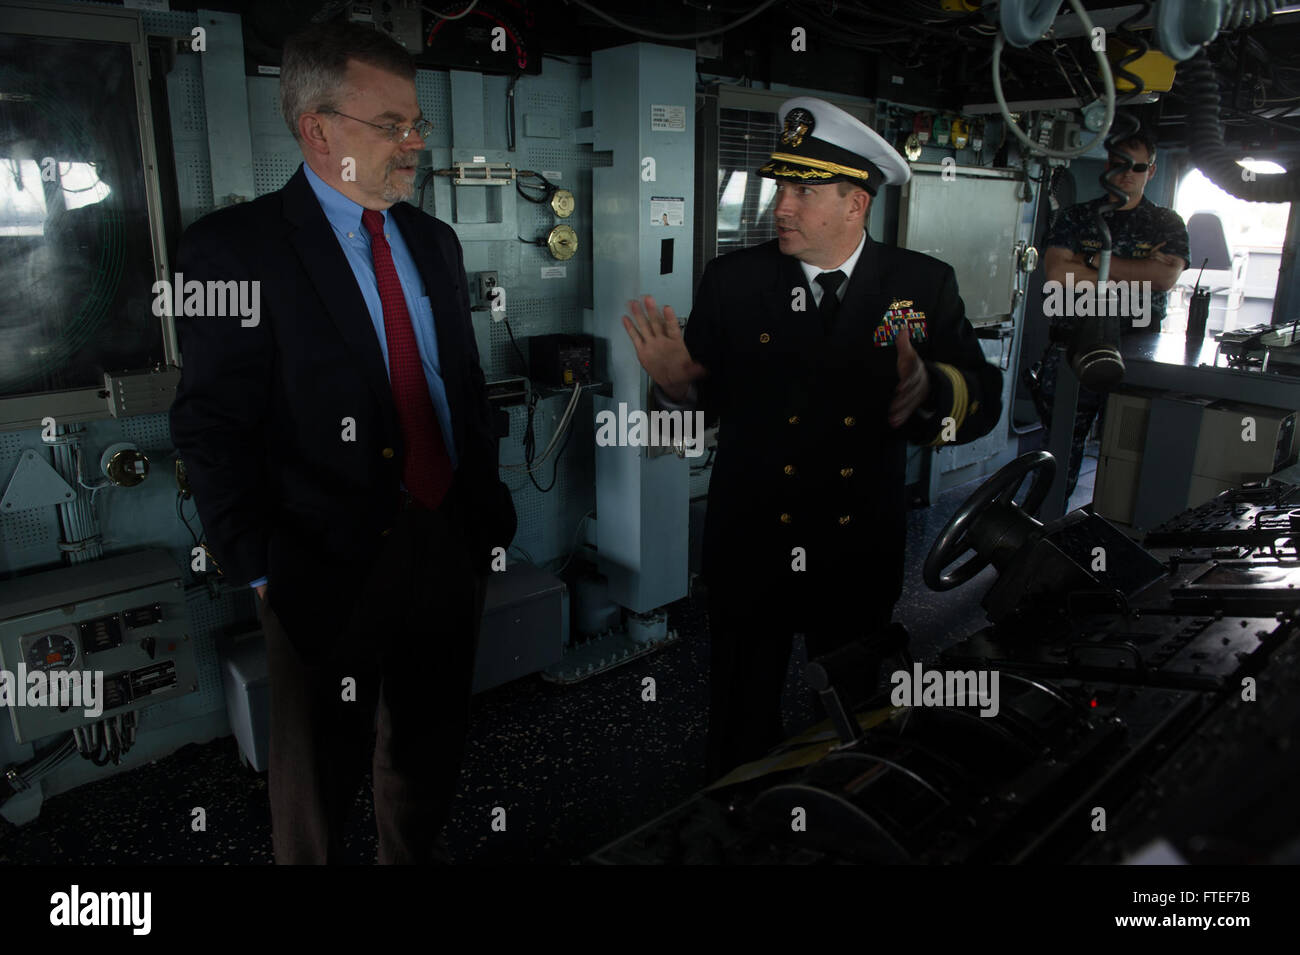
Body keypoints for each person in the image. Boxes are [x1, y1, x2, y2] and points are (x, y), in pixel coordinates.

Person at [169, 21, 515, 864]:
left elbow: (458, 388)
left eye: (418, 124)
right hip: (320, 556)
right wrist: (257, 564)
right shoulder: (233, 249)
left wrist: (483, 511)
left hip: (446, 536)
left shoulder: (433, 242)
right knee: (316, 775)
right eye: (390, 124)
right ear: (316, 129)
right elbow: (211, 422)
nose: (414, 143)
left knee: (430, 746)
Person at [622, 97, 1003, 780]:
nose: (782, 207)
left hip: (857, 546)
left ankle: (849, 816)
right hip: (752, 543)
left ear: (856, 202)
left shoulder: (919, 284)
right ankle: (736, 821)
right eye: (780, 188)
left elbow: (980, 405)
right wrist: (676, 389)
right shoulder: (733, 282)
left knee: (860, 714)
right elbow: (685, 421)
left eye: (803, 191)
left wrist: (934, 393)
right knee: (740, 718)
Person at [1031, 127, 1189, 499]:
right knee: (1058, 456)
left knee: (1129, 460)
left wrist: (1089, 261)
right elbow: (1057, 274)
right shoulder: (1076, 217)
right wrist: (1136, 271)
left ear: (1151, 170)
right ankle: (1041, 537)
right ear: (1107, 167)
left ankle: (1111, 543)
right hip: (1073, 351)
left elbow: (1164, 277)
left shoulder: (1166, 223)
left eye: (1138, 167)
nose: (1127, 174)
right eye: (1120, 164)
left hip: (1136, 351)